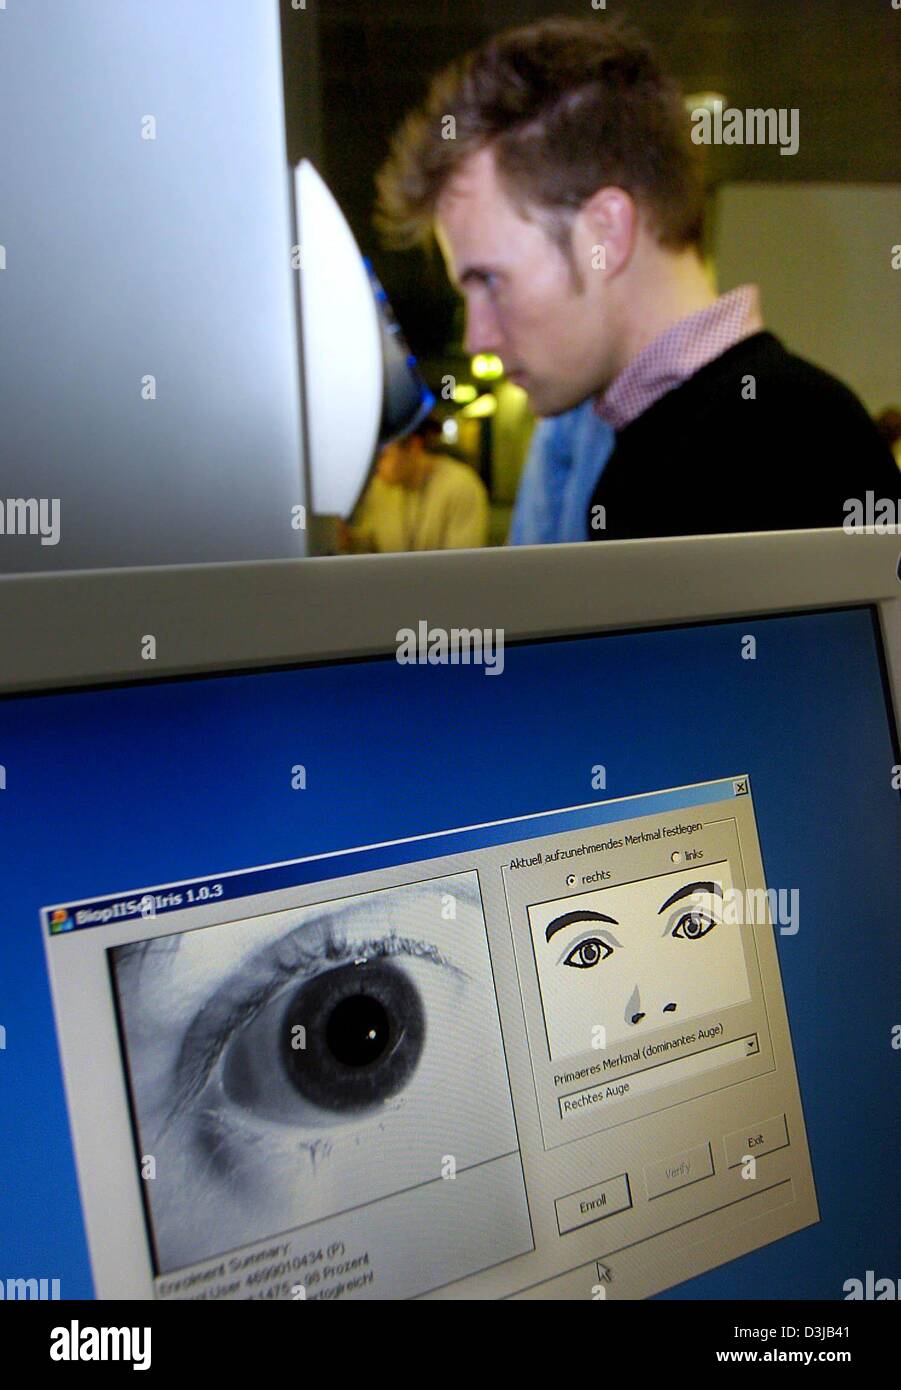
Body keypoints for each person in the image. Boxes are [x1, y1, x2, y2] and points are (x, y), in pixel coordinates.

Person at [374, 17, 899, 542]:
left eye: (489, 280)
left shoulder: (779, 448)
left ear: (605, 233)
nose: (477, 338)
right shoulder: (769, 425)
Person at [342, 416, 489, 553]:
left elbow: (463, 564)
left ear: (413, 446)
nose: (375, 467)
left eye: (382, 456)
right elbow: (373, 542)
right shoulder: (381, 486)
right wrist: (349, 540)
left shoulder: (460, 486)